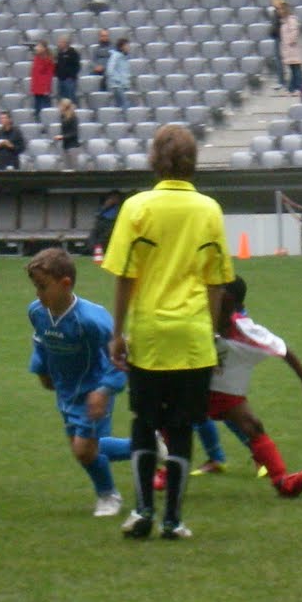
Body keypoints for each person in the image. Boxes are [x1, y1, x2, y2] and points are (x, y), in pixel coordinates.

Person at [102, 124, 235, 540]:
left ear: (154, 161)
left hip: (150, 334)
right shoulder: (209, 210)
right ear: (193, 163)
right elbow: (217, 281)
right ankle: (173, 520)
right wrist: (211, 334)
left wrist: (117, 332)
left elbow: (125, 275)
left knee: (145, 421)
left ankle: (142, 510)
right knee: (181, 427)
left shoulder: (138, 207)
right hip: (192, 335)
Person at [27, 246, 134, 517]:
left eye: (43, 287)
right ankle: (143, 446)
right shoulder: (38, 312)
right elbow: (41, 344)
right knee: (84, 449)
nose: (38, 295)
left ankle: (108, 495)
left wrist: (105, 390)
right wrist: (41, 371)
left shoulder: (92, 320)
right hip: (65, 392)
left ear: (66, 284)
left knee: (84, 450)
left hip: (94, 391)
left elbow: (120, 359)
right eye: (35, 287)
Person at [208, 276, 302, 497]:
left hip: (224, 393)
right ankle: (165, 474)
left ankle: (283, 482)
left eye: (214, 291)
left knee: (253, 426)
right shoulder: (195, 320)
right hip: (191, 387)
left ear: (228, 300)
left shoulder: (245, 330)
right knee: (170, 425)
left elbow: (283, 349)